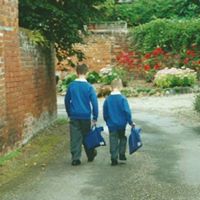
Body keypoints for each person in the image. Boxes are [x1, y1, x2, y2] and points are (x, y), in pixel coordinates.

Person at [65, 64, 98, 166]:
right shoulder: (89, 87)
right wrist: (95, 117)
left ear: (77, 72)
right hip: (85, 116)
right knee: (87, 136)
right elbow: (94, 103)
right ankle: (90, 154)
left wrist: (69, 112)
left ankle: (75, 158)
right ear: (87, 73)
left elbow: (67, 101)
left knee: (75, 137)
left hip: (74, 115)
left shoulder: (71, 86)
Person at [103, 79, 135, 166]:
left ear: (111, 87)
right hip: (121, 124)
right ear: (120, 87)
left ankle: (113, 157)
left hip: (112, 124)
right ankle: (121, 153)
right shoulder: (122, 99)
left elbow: (105, 113)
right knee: (122, 138)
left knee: (113, 139)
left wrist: (107, 121)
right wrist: (130, 122)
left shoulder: (108, 100)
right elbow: (127, 112)